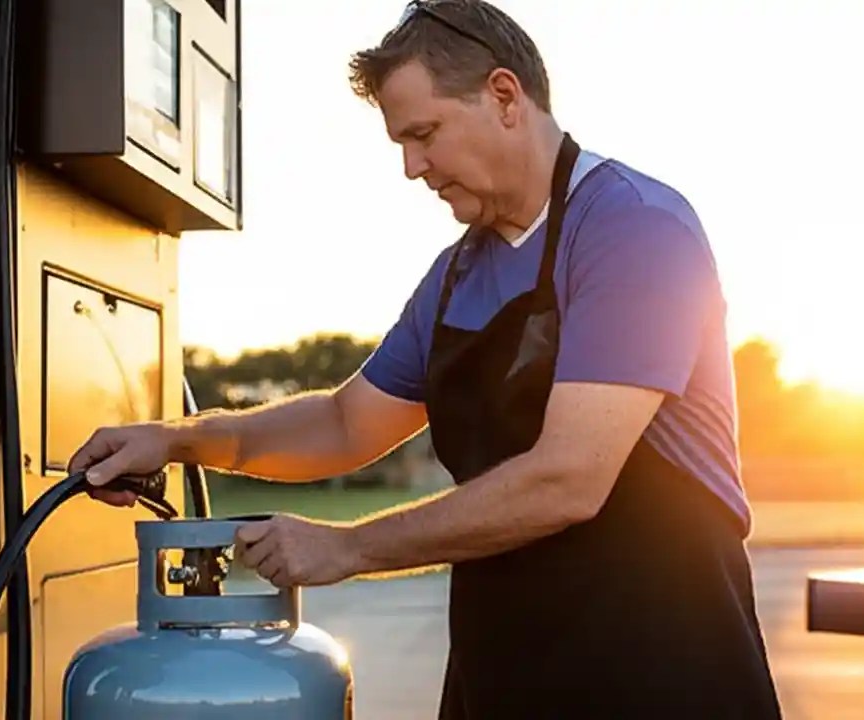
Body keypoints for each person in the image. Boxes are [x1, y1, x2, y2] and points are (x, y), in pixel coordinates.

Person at [69, 1, 783, 717]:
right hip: (503, 671)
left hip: (662, 670)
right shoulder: (455, 278)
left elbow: (571, 478)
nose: (413, 168)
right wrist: (175, 439)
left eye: (424, 134)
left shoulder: (633, 229)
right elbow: (345, 425)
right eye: (401, 145)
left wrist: (348, 547)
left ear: (504, 96)